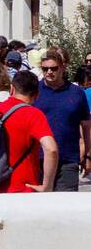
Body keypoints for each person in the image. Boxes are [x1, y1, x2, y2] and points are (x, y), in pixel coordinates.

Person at [33, 48, 91, 191]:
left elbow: (87, 127)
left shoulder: (77, 93)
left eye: (53, 68)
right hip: (38, 158)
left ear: (63, 68)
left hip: (68, 159)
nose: (49, 72)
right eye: (45, 69)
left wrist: (88, 156)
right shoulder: (34, 91)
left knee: (65, 207)